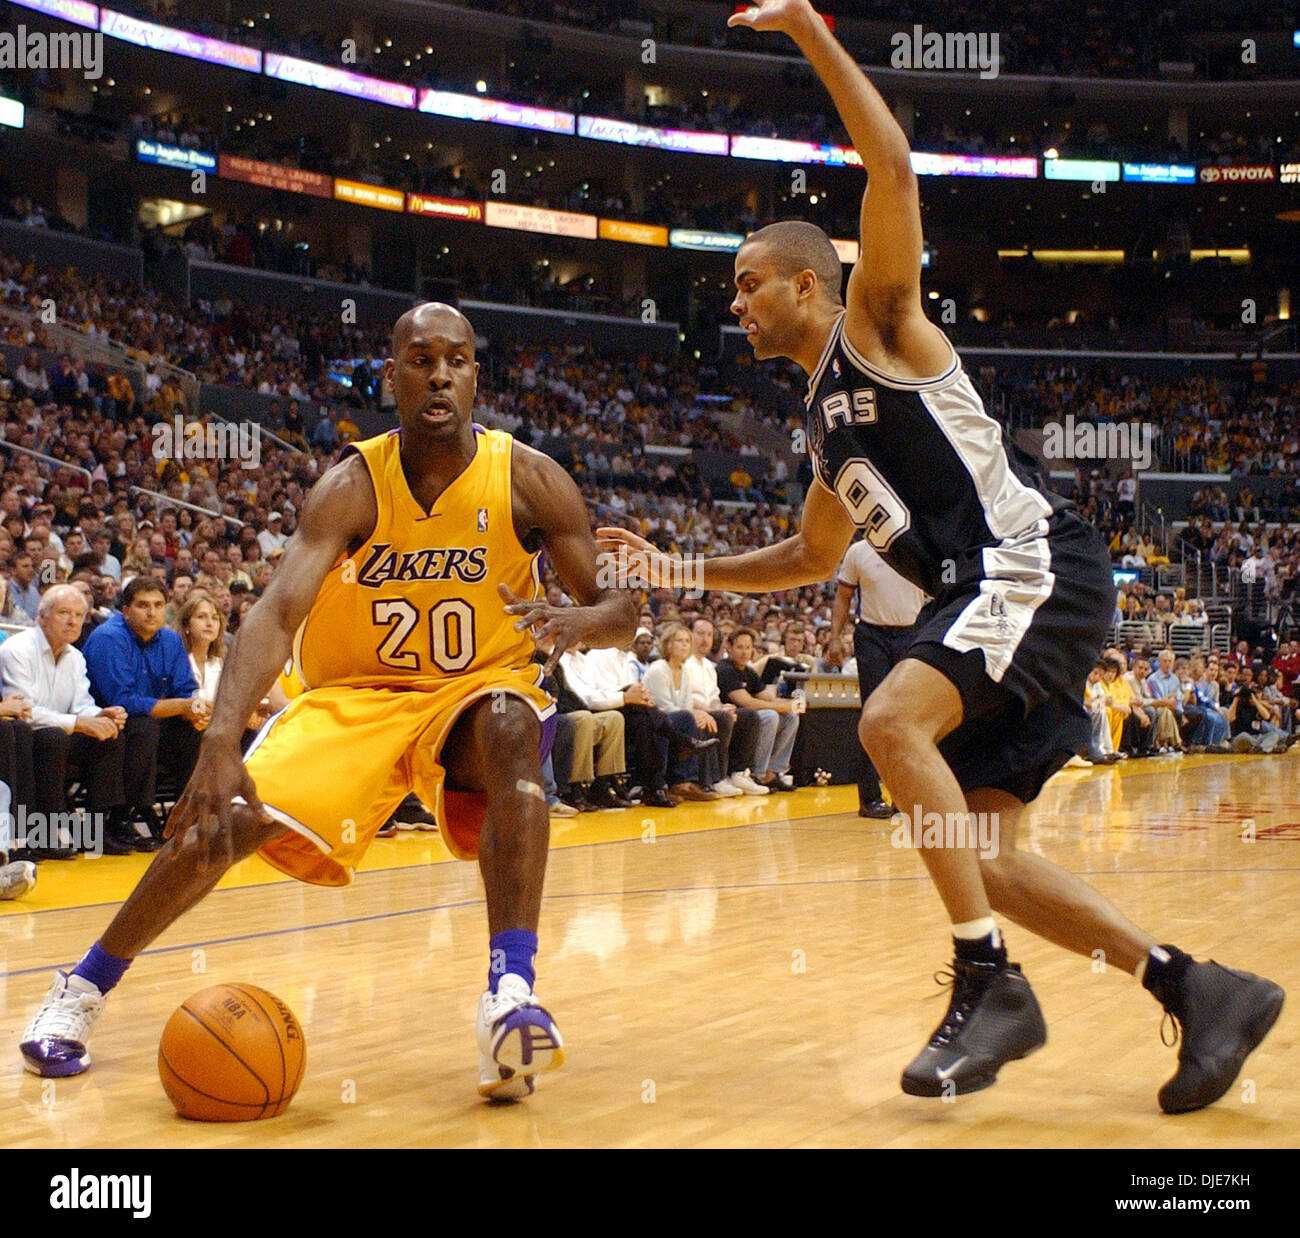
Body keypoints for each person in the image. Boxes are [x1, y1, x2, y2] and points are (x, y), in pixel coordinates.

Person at [599, 0, 1283, 1112]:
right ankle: (1201, 988)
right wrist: (670, 572)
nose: (734, 301)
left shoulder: (875, 320)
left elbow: (893, 163)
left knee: (884, 722)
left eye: (745, 281)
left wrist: (809, 33)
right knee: (991, 857)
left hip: (1029, 566)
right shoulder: (821, 422)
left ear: (805, 282)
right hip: (991, 596)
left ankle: (985, 980)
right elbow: (805, 557)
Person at [20, 303, 637, 1100]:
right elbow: (276, 610)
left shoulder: (530, 478)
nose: (439, 373)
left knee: (516, 723)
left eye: (456, 359)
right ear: (392, 376)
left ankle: (509, 994)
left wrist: (586, 619)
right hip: (356, 696)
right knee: (230, 814)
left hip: (472, 693)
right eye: (420, 359)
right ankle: (84, 985)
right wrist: (219, 746)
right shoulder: (352, 483)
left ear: (477, 375)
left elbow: (622, 612)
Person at [0, 585, 133, 854]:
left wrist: (100, 715)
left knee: (110, 736)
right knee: (53, 737)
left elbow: (81, 704)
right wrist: (80, 723)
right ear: (42, 616)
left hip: (58, 732)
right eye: (64, 613)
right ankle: (45, 833)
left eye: (78, 614)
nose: (73, 621)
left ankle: (99, 829)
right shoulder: (17, 649)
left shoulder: (76, 657)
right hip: (30, 737)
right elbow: (25, 712)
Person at [830, 533, 927, 817]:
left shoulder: (918, 547)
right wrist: (835, 637)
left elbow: (942, 592)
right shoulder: (858, 552)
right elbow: (843, 597)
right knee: (873, 714)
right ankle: (869, 798)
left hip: (912, 633)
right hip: (872, 635)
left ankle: (904, 796)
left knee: (906, 716)